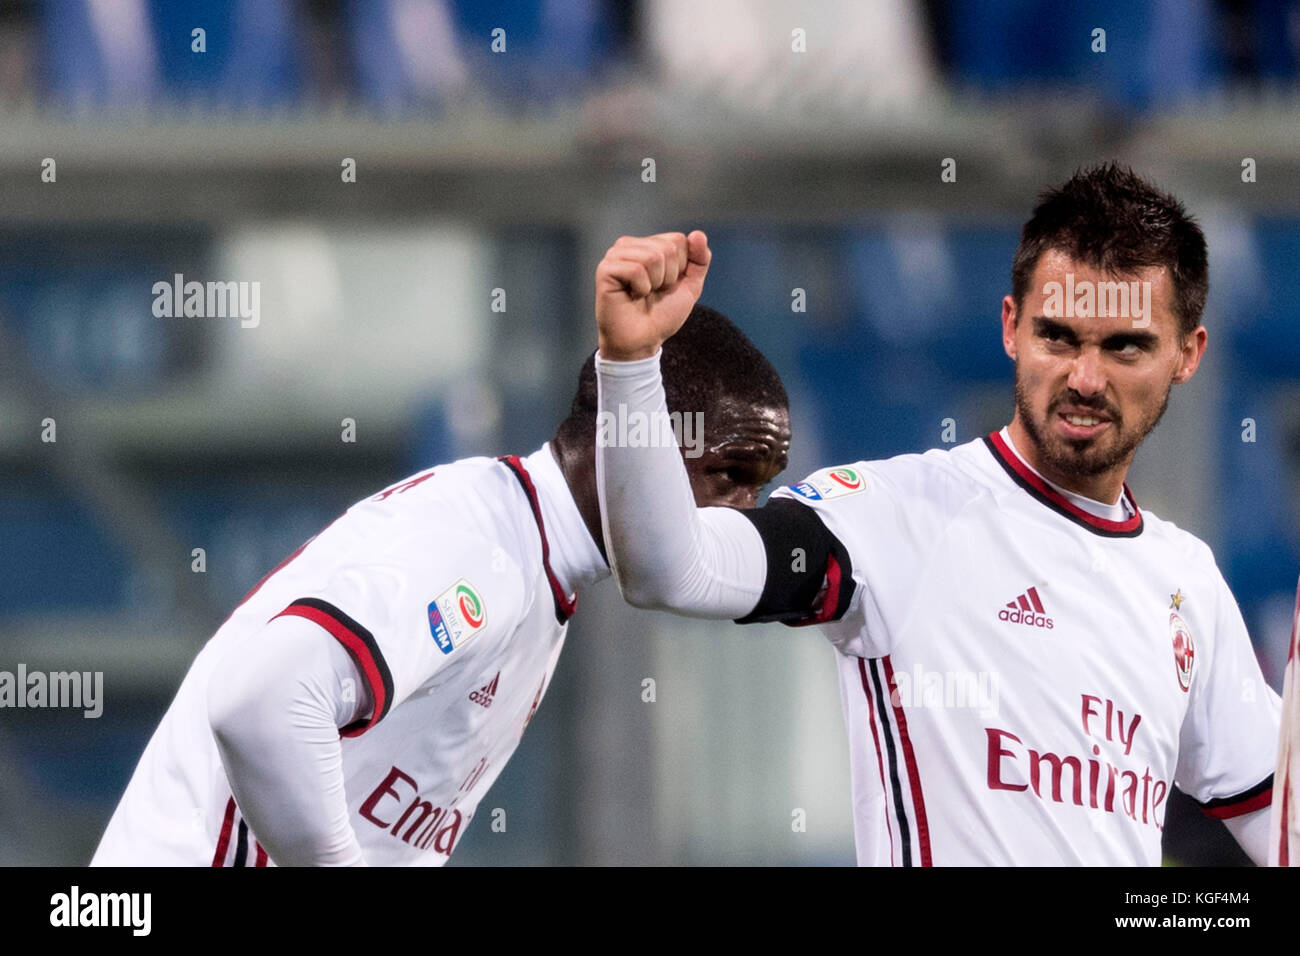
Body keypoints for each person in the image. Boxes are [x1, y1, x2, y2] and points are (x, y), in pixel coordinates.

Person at [593, 164, 1282, 866]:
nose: (1084, 378)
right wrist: (629, 364)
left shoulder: (1186, 581)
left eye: (1123, 346)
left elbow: (1280, 829)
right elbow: (671, 570)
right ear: (1011, 328)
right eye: (1059, 337)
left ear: (1188, 354)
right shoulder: (894, 517)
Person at [91, 305, 791, 866]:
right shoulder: (484, 555)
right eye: (728, 477)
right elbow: (262, 698)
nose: (740, 518)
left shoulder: (536, 564)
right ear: (630, 438)